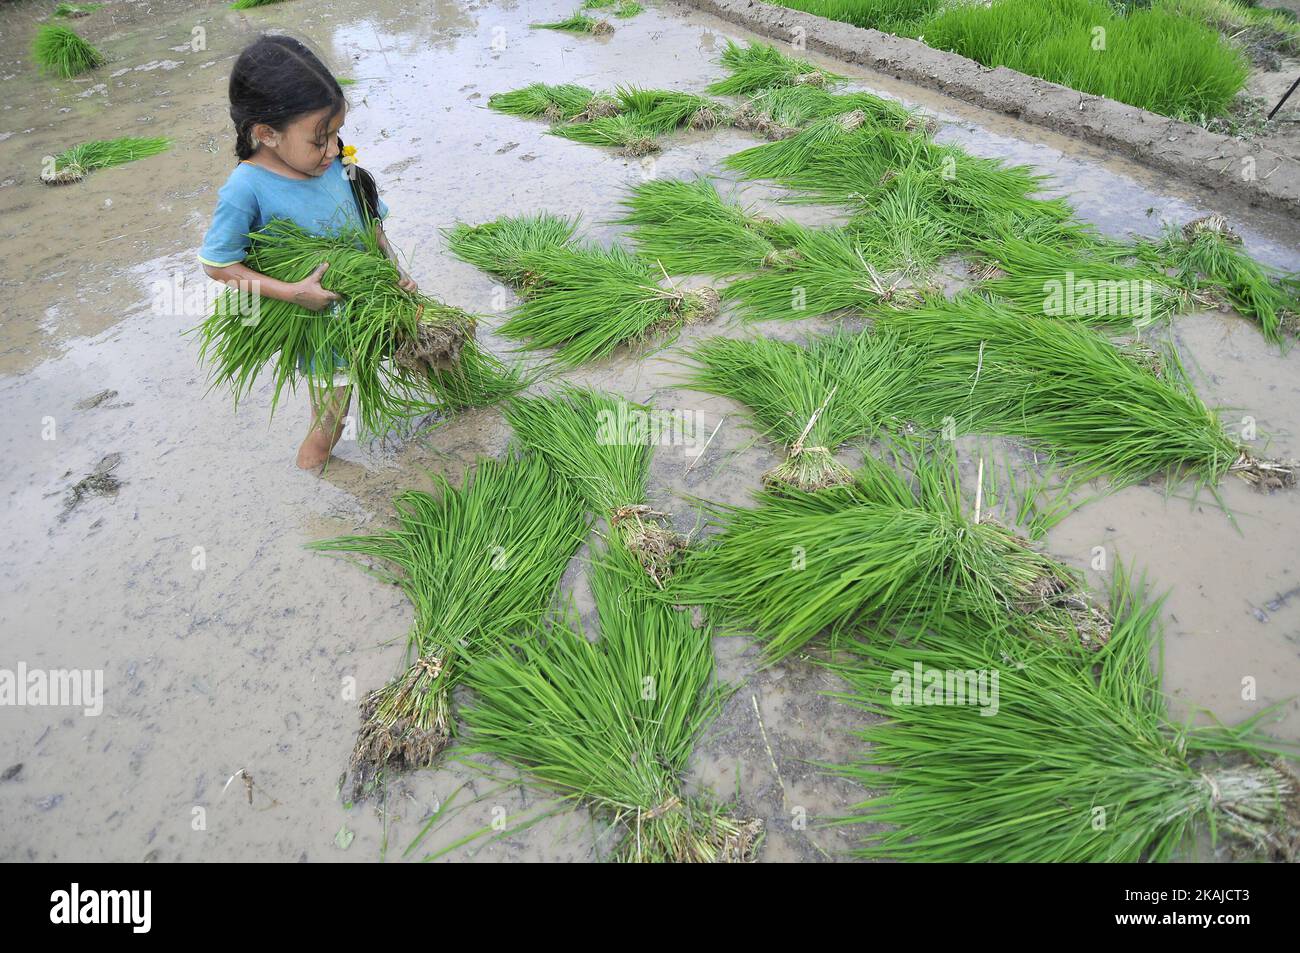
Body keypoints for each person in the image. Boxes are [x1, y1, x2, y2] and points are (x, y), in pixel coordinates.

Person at [199, 34, 416, 468]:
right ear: (266, 134)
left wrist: (396, 273)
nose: (333, 150)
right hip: (325, 326)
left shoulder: (339, 164)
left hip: (374, 301)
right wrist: (294, 292)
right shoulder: (247, 188)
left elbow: (371, 227)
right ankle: (311, 476)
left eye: (336, 135)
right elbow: (217, 263)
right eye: (320, 139)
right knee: (333, 420)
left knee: (436, 349)